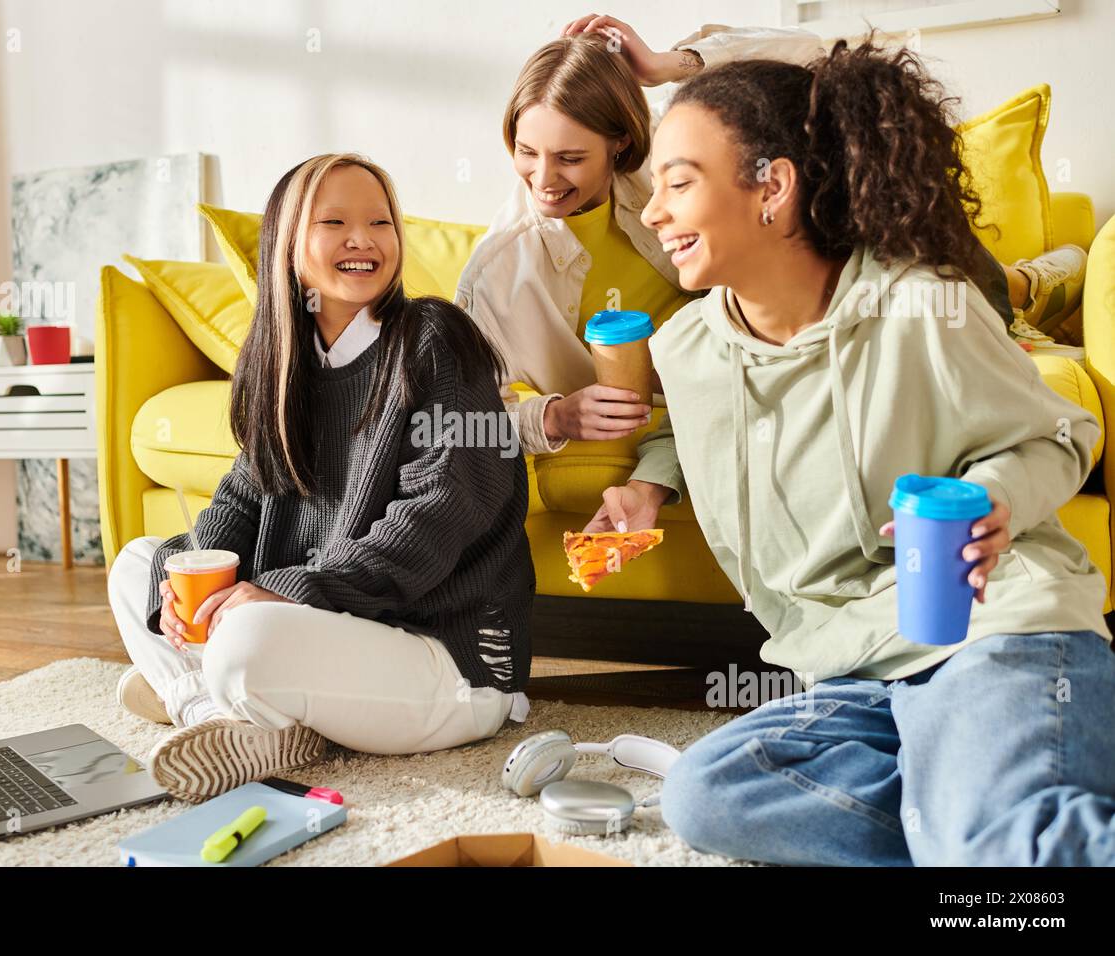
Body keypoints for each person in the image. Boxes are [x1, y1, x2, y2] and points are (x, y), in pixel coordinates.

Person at [586, 37, 1115, 865]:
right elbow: (687, 430)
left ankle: (986, 826)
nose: (653, 213)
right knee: (708, 792)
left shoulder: (920, 306)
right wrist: (648, 487)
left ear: (774, 188)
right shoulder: (687, 349)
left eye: (679, 183)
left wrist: (995, 496)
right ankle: (963, 827)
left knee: (1006, 850)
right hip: (852, 673)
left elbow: (1061, 431)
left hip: (986, 628)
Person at [107, 153, 535, 803]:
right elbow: (243, 496)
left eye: (380, 222)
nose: (362, 239)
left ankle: (205, 691)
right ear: (287, 245)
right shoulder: (280, 361)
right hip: (336, 629)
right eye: (334, 221)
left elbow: (441, 510)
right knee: (141, 565)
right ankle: (213, 711)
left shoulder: (434, 338)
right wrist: (189, 581)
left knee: (246, 642)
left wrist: (288, 591)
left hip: (447, 658)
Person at [457, 18, 1088, 457]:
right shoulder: (499, 271)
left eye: (569, 157)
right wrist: (553, 416)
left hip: (786, 323)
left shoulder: (669, 161)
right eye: (525, 150)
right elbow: (452, 423)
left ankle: (1025, 288)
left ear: (622, 139)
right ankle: (1025, 286)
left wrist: (669, 66)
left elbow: (814, 61)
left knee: (890, 211)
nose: (544, 178)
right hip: (718, 380)